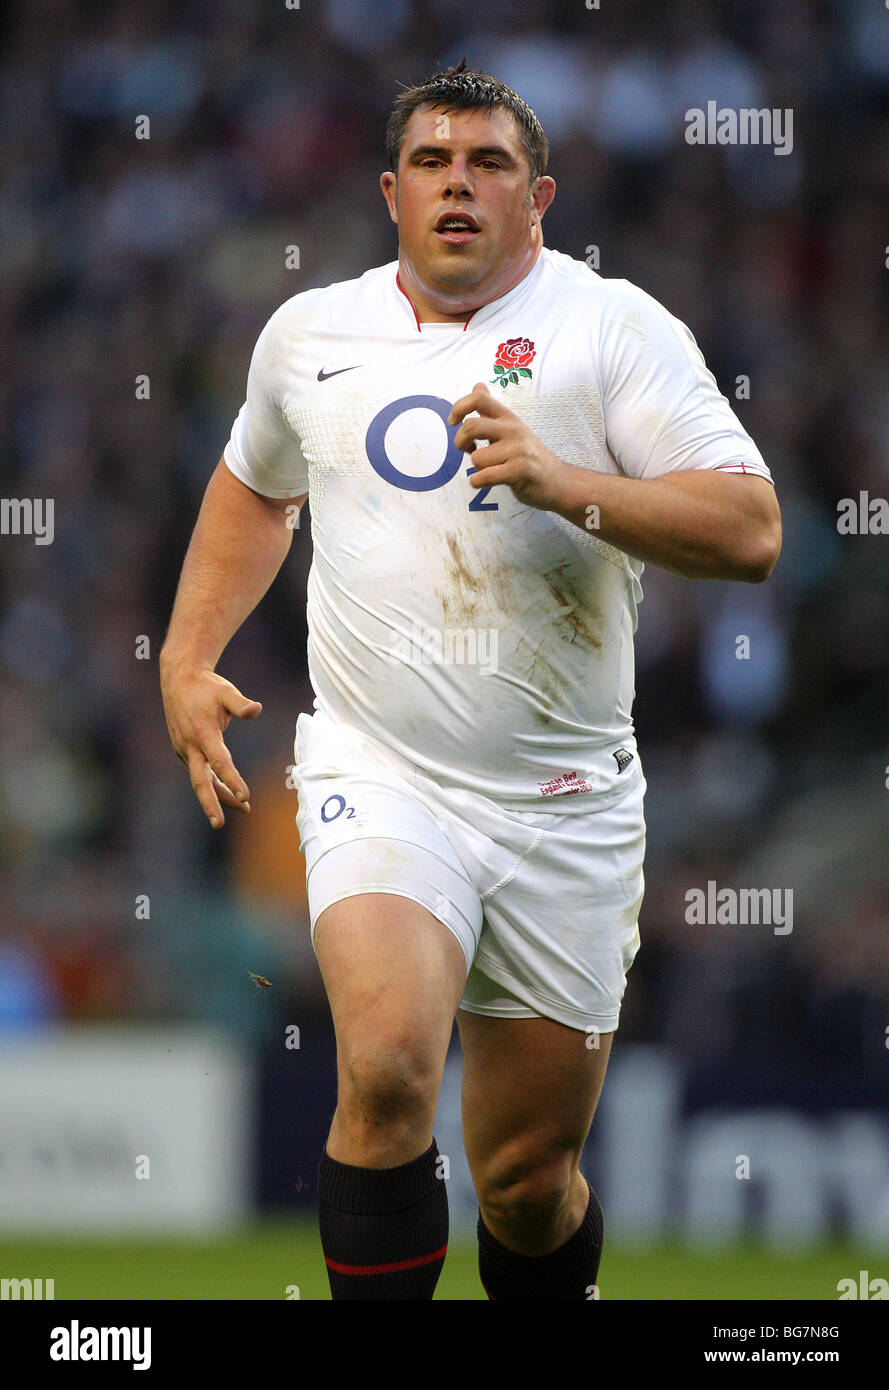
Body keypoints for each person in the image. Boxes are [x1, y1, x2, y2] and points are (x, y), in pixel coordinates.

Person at [160, 61, 781, 1300]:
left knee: (527, 1181)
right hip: (379, 770)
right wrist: (185, 657)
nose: (459, 184)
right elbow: (254, 485)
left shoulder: (613, 328)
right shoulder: (310, 334)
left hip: (564, 801)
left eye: (488, 163)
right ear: (390, 191)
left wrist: (567, 484)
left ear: (536, 195)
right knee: (386, 1065)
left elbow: (751, 527)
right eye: (433, 164)